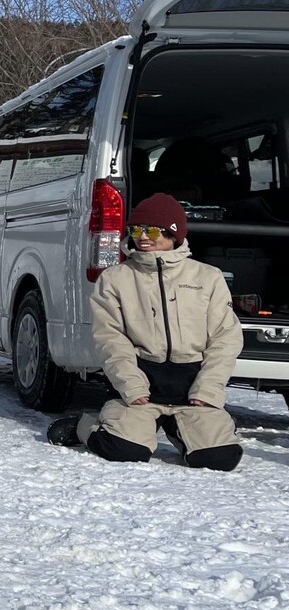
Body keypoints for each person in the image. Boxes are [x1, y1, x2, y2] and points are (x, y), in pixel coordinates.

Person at [47, 193, 243, 471]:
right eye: (136, 230)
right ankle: (86, 426)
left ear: (173, 233)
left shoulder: (207, 277)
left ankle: (187, 426)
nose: (143, 237)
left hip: (192, 388)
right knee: (124, 450)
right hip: (142, 387)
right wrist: (132, 386)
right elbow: (110, 338)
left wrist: (208, 389)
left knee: (219, 458)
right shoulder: (115, 279)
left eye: (152, 230)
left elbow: (226, 338)